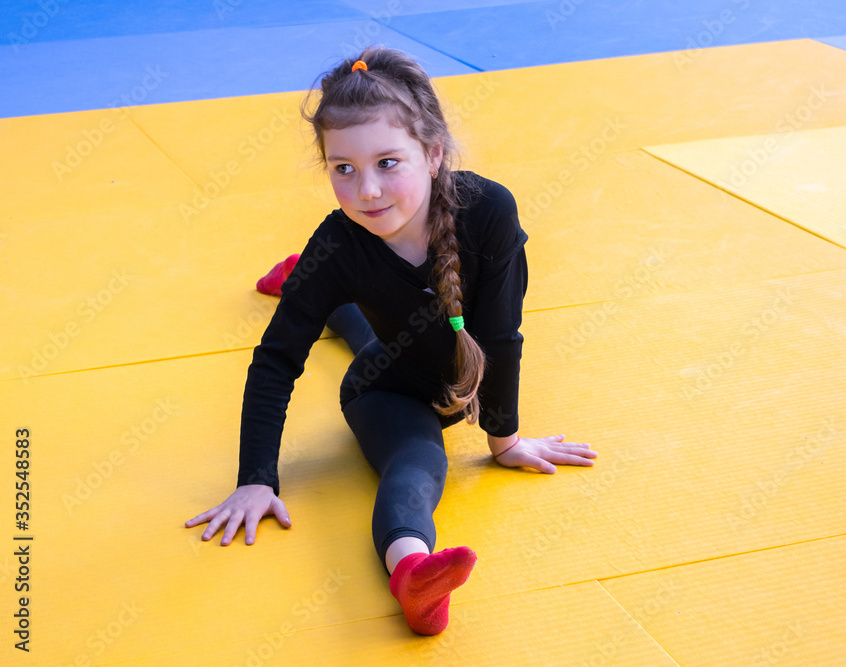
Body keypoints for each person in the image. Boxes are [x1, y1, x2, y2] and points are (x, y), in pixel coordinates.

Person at [184, 46, 598, 636]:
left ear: (432, 155)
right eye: (343, 169)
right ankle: (413, 573)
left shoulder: (488, 211)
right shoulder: (340, 242)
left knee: (379, 322)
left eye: (386, 162)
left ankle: (308, 287)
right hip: (388, 390)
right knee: (419, 461)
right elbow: (276, 360)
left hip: (424, 352)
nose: (367, 190)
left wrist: (502, 440)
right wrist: (256, 478)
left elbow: (501, 336)